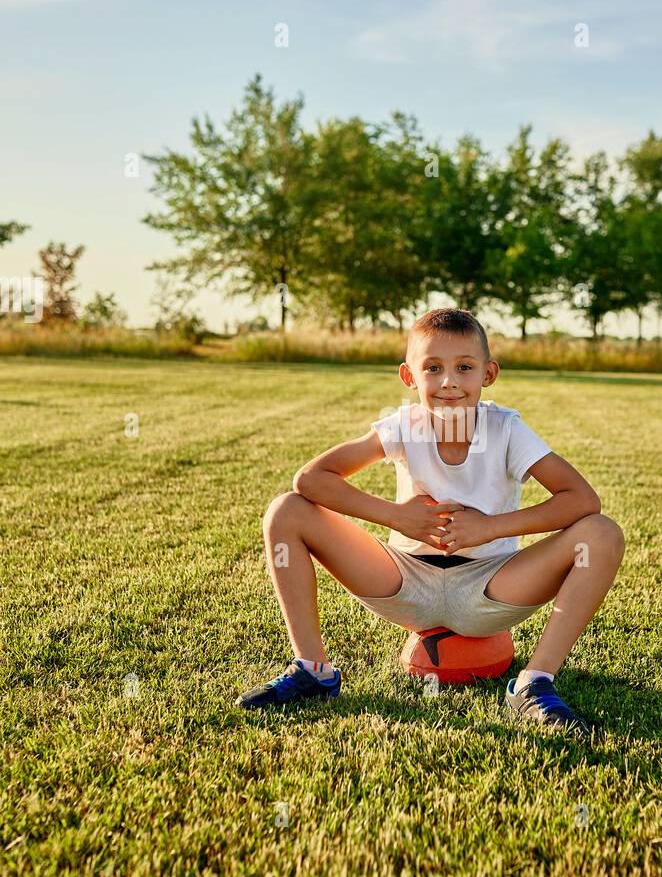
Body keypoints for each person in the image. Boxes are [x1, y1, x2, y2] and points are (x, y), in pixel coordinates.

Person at [237, 308, 625, 733]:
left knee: (601, 535)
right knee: (286, 510)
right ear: (409, 376)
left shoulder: (506, 429)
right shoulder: (404, 425)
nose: (449, 382)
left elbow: (582, 499)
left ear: (488, 373)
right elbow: (311, 479)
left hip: (491, 587)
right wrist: (397, 517)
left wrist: (490, 527)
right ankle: (313, 670)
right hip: (404, 581)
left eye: (464, 367)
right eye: (433, 368)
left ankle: (534, 683)